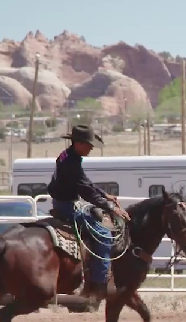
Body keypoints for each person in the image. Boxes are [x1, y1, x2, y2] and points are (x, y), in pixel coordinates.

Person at [46, 124, 130, 303]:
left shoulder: (68, 156)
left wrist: (104, 195)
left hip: (64, 202)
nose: (91, 148)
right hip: (67, 205)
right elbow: (85, 190)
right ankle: (100, 283)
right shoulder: (71, 162)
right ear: (79, 143)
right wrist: (111, 207)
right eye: (89, 144)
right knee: (103, 234)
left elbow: (84, 182)